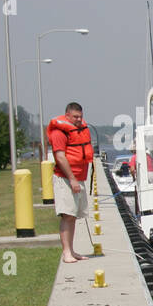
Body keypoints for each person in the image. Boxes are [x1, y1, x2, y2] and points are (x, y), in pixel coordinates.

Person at [47, 101, 95, 263]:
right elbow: (60, 157)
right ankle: (66, 252)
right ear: (67, 115)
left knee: (73, 216)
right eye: (75, 117)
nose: (78, 120)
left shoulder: (79, 130)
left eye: (80, 117)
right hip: (65, 179)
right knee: (67, 215)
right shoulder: (59, 133)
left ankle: (71, 251)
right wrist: (73, 179)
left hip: (78, 179)